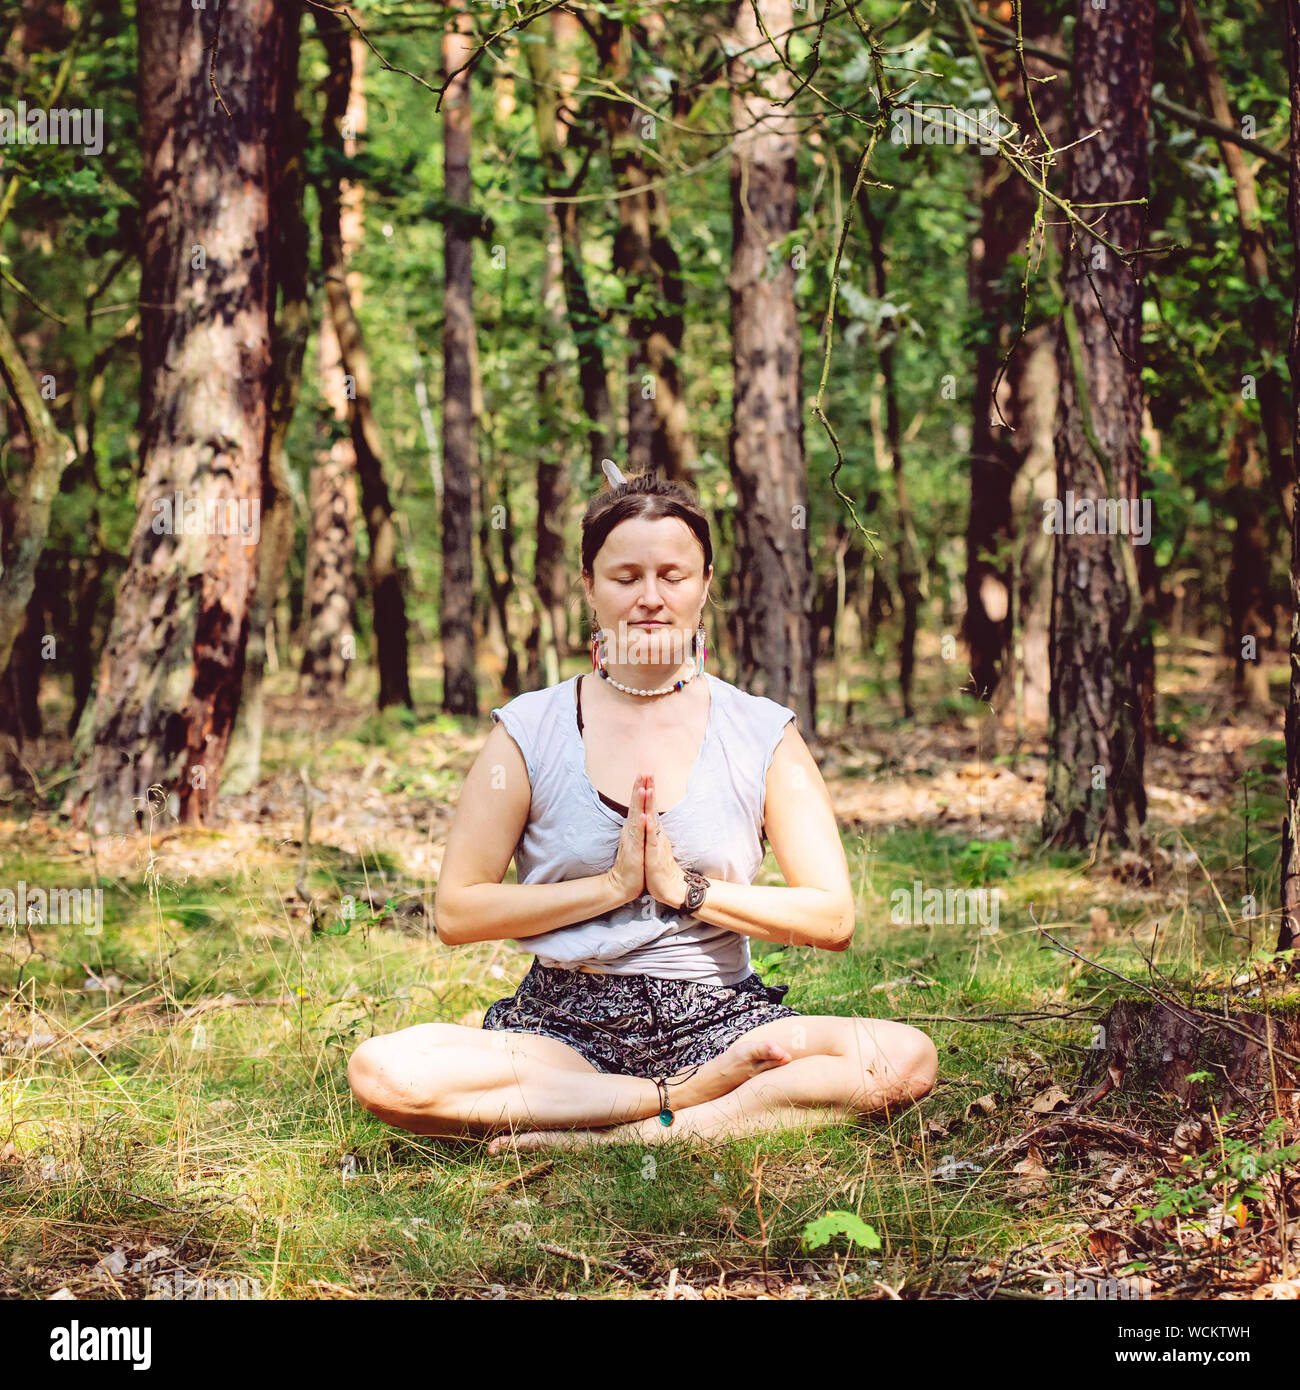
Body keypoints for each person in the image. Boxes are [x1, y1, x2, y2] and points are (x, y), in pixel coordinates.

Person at [347, 464, 938, 1152]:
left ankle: (623, 1136)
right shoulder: (529, 728)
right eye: (626, 578)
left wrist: (683, 891)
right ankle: (669, 1104)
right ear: (589, 589)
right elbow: (457, 911)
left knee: (903, 1058)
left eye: (674, 576)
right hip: (560, 1030)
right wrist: (610, 889)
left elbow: (832, 917)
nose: (651, 598)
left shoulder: (761, 732)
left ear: (706, 585)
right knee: (386, 1072)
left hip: (724, 1020)